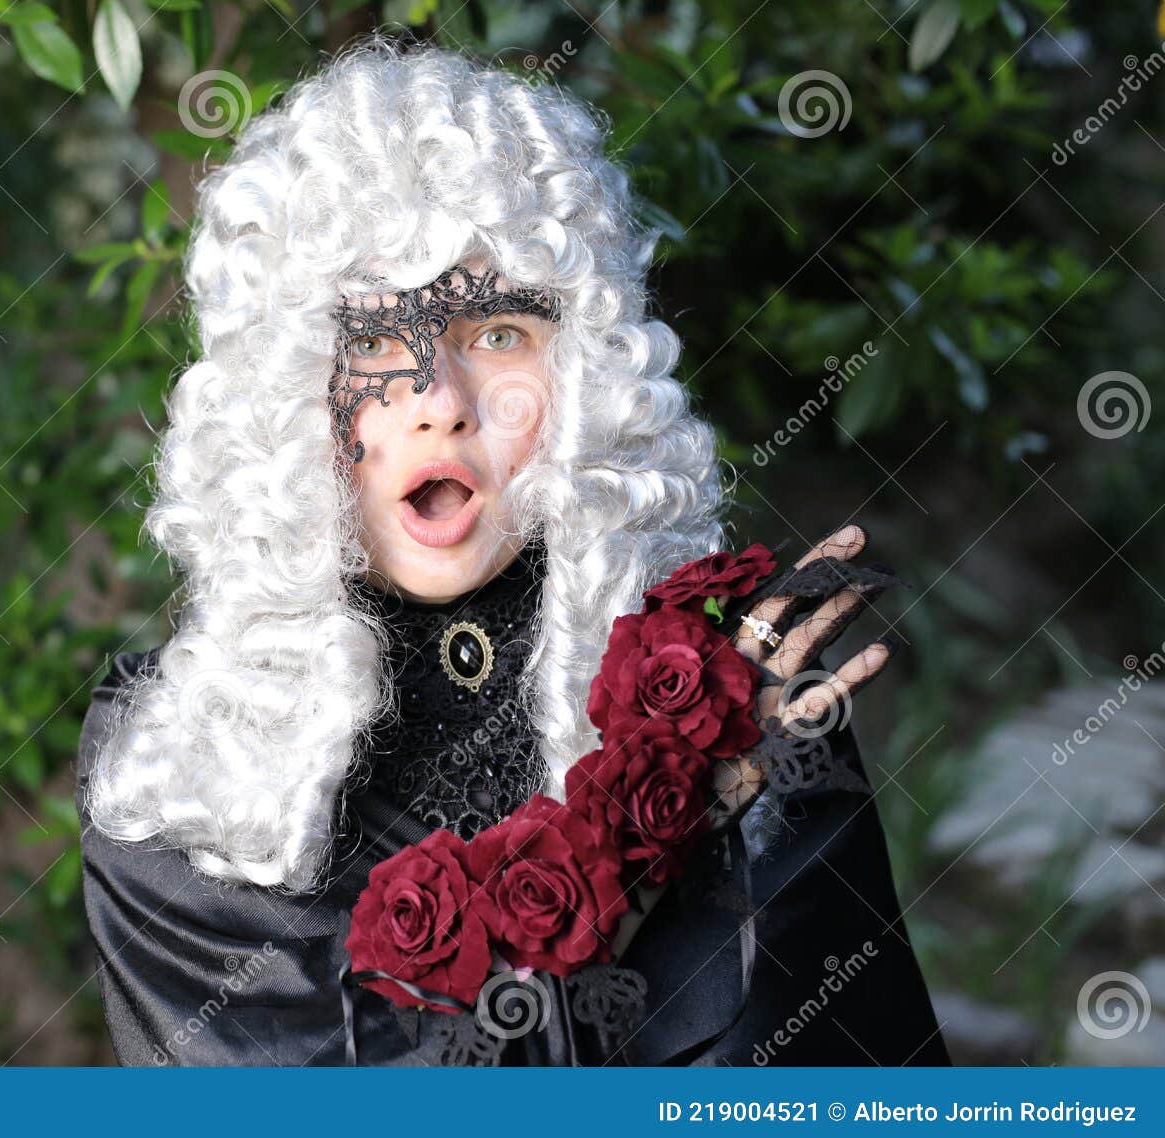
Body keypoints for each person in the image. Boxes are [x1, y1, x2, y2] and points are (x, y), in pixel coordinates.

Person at [75, 36, 949, 1067]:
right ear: (281, 392)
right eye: (367, 337)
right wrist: (633, 856)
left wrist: (715, 771)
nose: (436, 402)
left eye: (496, 331)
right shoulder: (177, 761)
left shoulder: (732, 685)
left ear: (582, 368)